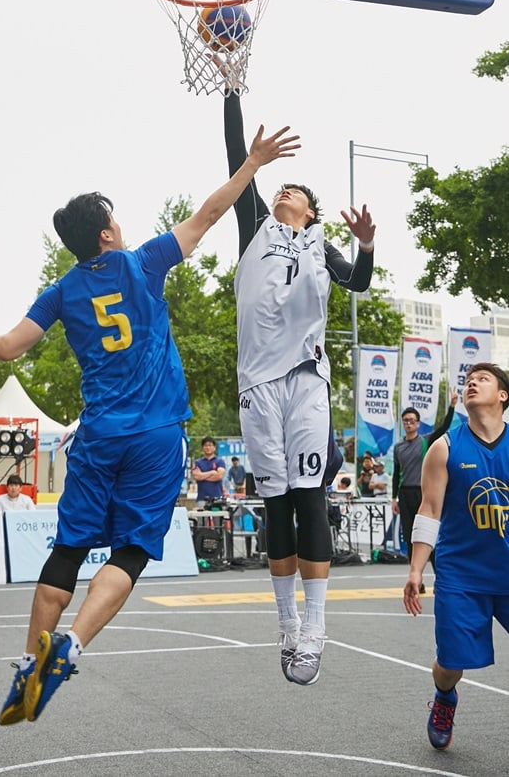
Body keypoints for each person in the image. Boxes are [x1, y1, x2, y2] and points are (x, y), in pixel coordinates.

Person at [0, 116, 298, 726]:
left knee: (67, 551)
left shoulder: (60, 291)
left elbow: (10, 347)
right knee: (133, 553)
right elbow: (207, 215)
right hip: (155, 436)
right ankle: (73, 648)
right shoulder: (144, 263)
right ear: (108, 234)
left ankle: (29, 663)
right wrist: (251, 165)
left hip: (98, 437)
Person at [222, 86, 375, 686]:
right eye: (282, 188)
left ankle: (314, 629)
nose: (287, 193)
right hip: (258, 383)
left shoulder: (320, 244)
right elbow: (236, 157)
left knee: (311, 498)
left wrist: (365, 244)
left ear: (310, 211)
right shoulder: (255, 224)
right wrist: (231, 86)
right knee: (277, 503)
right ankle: (286, 625)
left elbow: (358, 282)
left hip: (307, 380)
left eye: (297, 192)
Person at [403, 362, 509, 752]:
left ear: (503, 395)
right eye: (468, 380)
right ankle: (445, 699)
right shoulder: (444, 447)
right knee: (450, 666)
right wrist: (416, 569)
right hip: (461, 575)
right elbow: (429, 510)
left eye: (482, 379)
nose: (471, 383)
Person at [391, 389, 457, 583]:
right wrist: (393, 498)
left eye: (412, 420)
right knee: (411, 537)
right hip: (405, 494)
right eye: (406, 421)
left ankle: (441, 578)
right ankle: (416, 578)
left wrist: (452, 406)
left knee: (429, 535)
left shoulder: (426, 440)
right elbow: (396, 474)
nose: (409, 424)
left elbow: (443, 428)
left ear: (418, 423)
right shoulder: (398, 447)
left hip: (423, 493)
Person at [192, 437, 226, 508]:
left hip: (217, 498)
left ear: (214, 447)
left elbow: (219, 476)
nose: (208, 447)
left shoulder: (219, 461)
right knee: (201, 518)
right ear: (202, 448)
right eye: (205, 445)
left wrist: (202, 476)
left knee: (217, 518)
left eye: (210, 445)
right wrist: (212, 472)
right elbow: (196, 476)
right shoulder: (198, 462)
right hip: (202, 498)